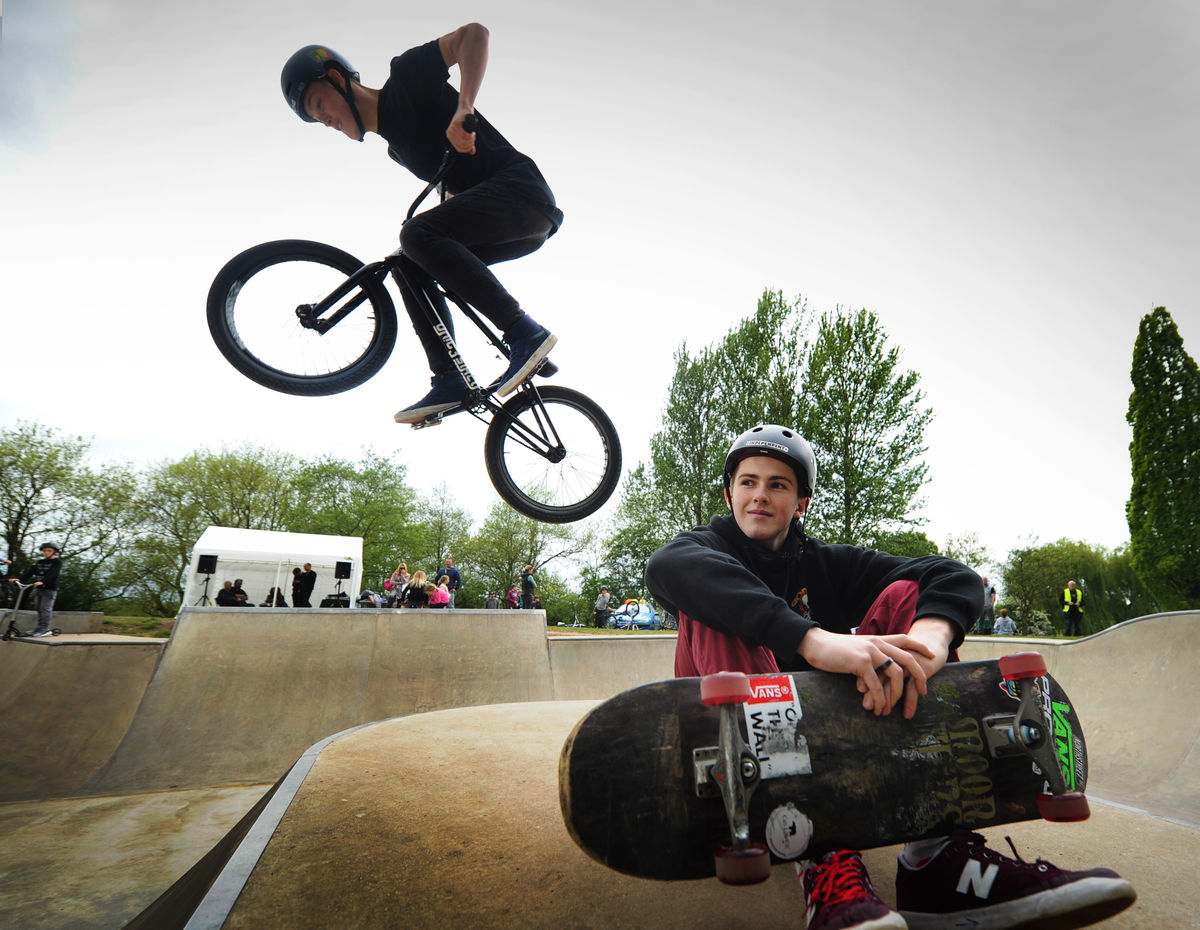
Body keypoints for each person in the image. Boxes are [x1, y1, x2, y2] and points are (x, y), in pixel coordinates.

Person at [644, 424, 1135, 930]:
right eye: (748, 482)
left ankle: (935, 856)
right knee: (707, 600)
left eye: (778, 485)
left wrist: (928, 646)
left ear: (801, 503)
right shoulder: (706, 546)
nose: (760, 497)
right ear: (729, 494)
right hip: (731, 731)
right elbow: (668, 566)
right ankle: (821, 852)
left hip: (826, 731)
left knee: (907, 592)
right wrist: (814, 640)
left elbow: (953, 576)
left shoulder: (824, 564)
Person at [280, 24, 563, 424]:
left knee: (416, 235)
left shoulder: (406, 79)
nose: (324, 120)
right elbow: (458, 195)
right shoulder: (398, 150)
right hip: (514, 222)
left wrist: (465, 107)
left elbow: (474, 36)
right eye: (314, 118)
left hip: (523, 195)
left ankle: (524, 332)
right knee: (410, 263)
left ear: (337, 79)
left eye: (319, 104)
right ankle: (449, 377)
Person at [9, 542, 62, 637]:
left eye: (49, 551)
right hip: (38, 589)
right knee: (38, 608)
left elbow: (53, 574)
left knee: (45, 609)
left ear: (54, 552)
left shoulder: (57, 562)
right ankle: (39, 627)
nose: (46, 552)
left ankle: (45, 629)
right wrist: (20, 579)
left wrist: (43, 581)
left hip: (49, 589)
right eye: (44, 551)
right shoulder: (40, 562)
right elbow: (30, 572)